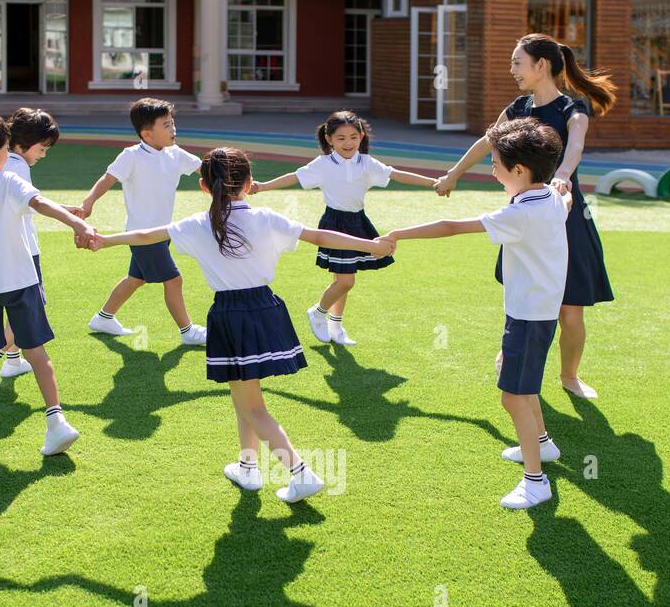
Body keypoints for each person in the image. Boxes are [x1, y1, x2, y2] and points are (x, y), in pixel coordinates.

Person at [79, 146, 395, 503]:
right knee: (245, 395)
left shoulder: (197, 224)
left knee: (252, 405)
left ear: (202, 186)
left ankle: (300, 472)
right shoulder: (265, 217)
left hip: (232, 314)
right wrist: (370, 245)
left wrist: (105, 240)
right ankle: (248, 467)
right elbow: (320, 236)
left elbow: (148, 235)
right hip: (267, 309)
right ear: (248, 183)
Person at [387, 118, 571, 510]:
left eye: (497, 165)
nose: (493, 171)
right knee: (524, 385)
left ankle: (535, 481)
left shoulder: (518, 215)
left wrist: (398, 234)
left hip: (528, 315)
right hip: (537, 311)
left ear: (519, 171)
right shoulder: (549, 199)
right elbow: (565, 197)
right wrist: (563, 186)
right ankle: (542, 445)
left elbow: (452, 226)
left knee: (513, 397)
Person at [434, 35, 616, 399]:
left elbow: (576, 143)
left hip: (567, 216)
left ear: (541, 66)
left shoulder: (572, 109)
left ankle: (570, 376)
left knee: (571, 311)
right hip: (525, 217)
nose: (512, 69)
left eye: (517, 62)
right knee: (522, 296)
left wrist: (563, 175)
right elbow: (487, 142)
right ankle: (512, 352)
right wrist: (453, 174)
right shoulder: (518, 108)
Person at [0, 111, 92, 455]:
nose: (10, 155)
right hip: (21, 278)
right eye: (6, 148)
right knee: (36, 351)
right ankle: (56, 422)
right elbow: (38, 203)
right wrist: (77, 224)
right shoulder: (10, 181)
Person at [252, 109, 438, 347]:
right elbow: (294, 177)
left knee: (344, 279)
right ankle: (318, 312)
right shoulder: (323, 164)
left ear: (361, 136)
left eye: (353, 136)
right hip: (334, 223)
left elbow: (397, 175)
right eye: (340, 138)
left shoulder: (367, 163)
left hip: (359, 222)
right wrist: (263, 186)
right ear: (329, 139)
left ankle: (336, 326)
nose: (348, 143)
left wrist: (433, 182)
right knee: (346, 281)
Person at [78, 98, 206, 346]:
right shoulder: (131, 156)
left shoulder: (175, 153)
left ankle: (103, 318)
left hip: (161, 232)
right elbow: (107, 179)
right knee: (174, 279)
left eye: (173, 123)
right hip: (142, 234)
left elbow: (205, 169)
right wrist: (88, 202)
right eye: (166, 125)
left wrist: (235, 177)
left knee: (136, 279)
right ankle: (187, 331)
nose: (173, 129)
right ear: (147, 134)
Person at [0, 106, 61, 388]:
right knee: (30, 307)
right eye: (42, 147)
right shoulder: (19, 167)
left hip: (6, 248)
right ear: (24, 143)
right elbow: (31, 205)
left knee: (16, 306)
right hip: (24, 249)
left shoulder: (5, 163)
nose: (43, 154)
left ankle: (14, 361)